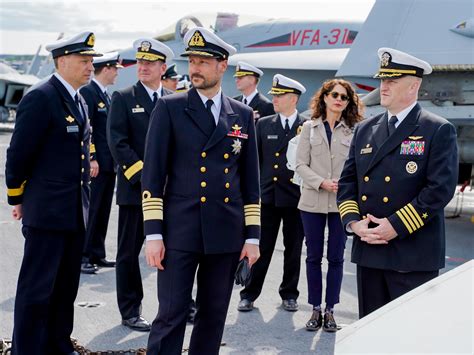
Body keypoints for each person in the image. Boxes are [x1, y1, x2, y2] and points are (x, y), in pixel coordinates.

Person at [142, 27, 261, 354]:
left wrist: (252, 237)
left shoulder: (243, 115)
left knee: (213, 316)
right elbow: (152, 177)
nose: (195, 68)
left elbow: (251, 183)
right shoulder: (170, 108)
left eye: (203, 62)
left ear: (223, 66)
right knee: (170, 314)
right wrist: (153, 234)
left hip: (225, 231)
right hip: (179, 230)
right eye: (192, 60)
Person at [337, 47, 458, 318]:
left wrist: (395, 226)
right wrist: (354, 223)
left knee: (408, 337)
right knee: (370, 332)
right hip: (369, 249)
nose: (384, 86)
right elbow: (347, 184)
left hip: (411, 253)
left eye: (392, 81)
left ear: (413, 85)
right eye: (382, 80)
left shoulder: (436, 129)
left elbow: (439, 189)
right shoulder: (365, 129)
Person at [5, 32, 101, 354]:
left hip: (74, 211)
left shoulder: (79, 99)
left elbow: (78, 147)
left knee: (64, 288)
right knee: (36, 290)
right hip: (47, 211)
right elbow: (18, 154)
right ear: (62, 61)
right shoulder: (41, 97)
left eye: (91, 61)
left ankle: (58, 344)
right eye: (84, 61)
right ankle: (27, 349)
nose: (90, 66)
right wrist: (17, 198)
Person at [107, 38, 174, 331]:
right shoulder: (123, 97)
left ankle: (176, 305)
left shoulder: (173, 100)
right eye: (140, 62)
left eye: (150, 63)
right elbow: (117, 142)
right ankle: (130, 310)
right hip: (136, 191)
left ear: (163, 67)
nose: (143, 67)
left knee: (175, 250)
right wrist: (145, 176)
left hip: (172, 192)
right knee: (129, 252)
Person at [295, 79, 363, 332]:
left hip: (341, 204)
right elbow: (300, 164)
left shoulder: (354, 131)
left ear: (348, 103)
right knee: (313, 257)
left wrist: (343, 185)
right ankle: (314, 308)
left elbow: (357, 166)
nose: (338, 100)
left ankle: (331, 310)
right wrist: (321, 182)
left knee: (336, 258)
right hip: (311, 201)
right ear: (324, 97)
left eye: (344, 97)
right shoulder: (308, 128)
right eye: (334, 95)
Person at [238, 74, 306, 313]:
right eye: (275, 95)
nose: (275, 99)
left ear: (294, 99)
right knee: (260, 247)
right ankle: (248, 293)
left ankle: (289, 294)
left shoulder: (307, 126)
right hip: (267, 197)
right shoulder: (263, 124)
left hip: (296, 199)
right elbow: (253, 162)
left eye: (281, 95)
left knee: (293, 248)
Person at [80, 52, 123, 274]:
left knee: (103, 209)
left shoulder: (104, 94)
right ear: (105, 69)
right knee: (93, 209)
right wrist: (92, 157)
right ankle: (84, 255)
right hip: (97, 165)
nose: (117, 73)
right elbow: (88, 128)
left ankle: (97, 253)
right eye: (115, 69)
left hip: (108, 164)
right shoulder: (88, 92)